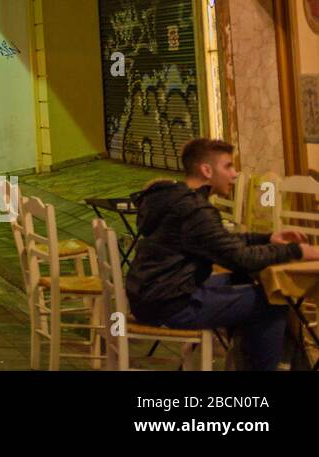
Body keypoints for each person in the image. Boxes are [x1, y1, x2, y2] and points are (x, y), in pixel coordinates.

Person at [125, 138, 317, 370]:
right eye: (228, 166)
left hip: (152, 295)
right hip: (170, 304)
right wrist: (295, 251)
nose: (235, 174)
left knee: (247, 282)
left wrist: (267, 238)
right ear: (206, 170)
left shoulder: (176, 199)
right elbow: (241, 259)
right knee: (272, 300)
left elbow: (221, 243)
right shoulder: (194, 210)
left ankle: (239, 362)